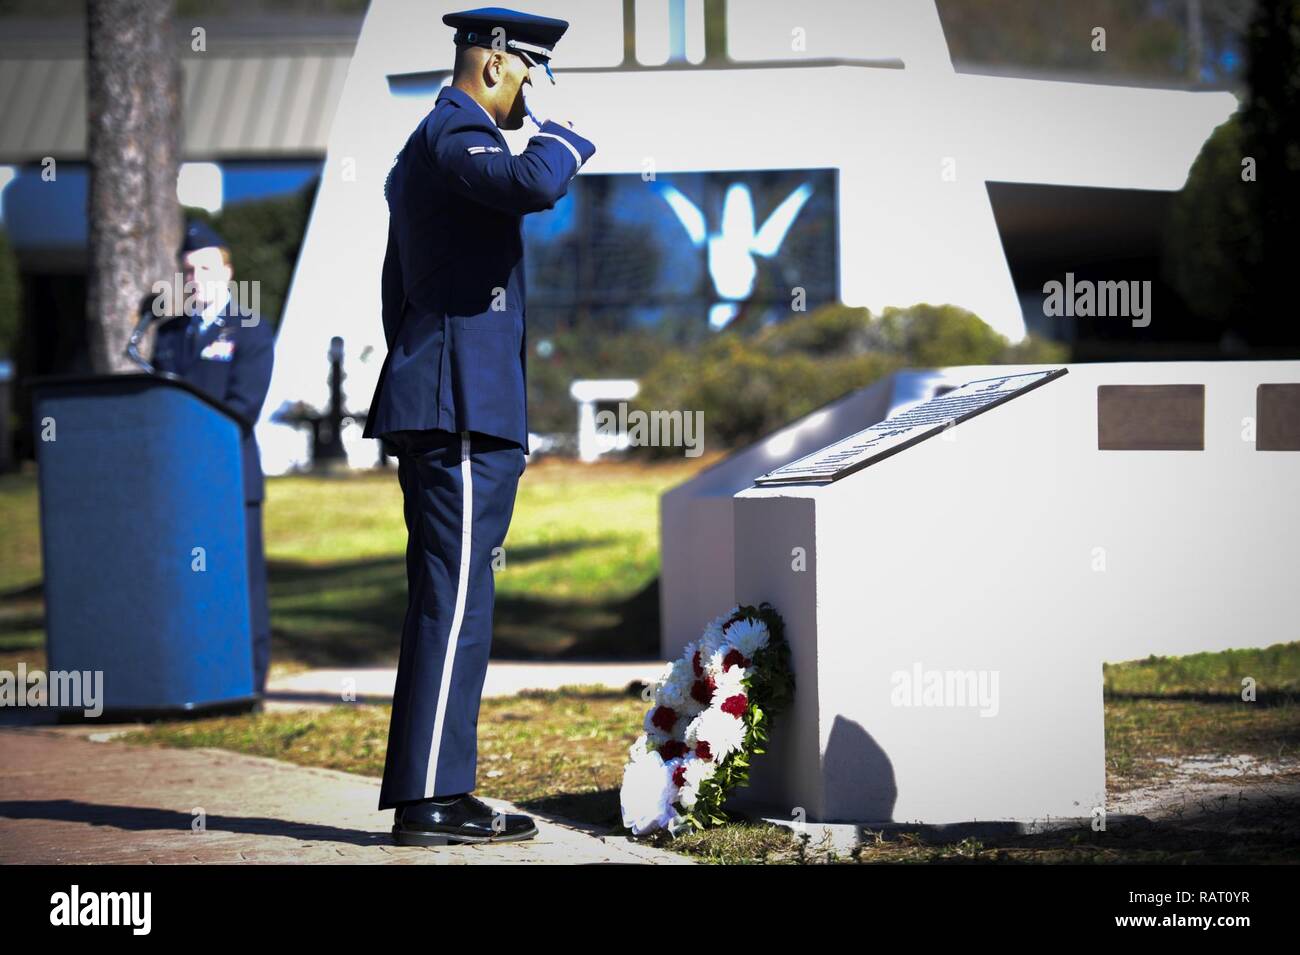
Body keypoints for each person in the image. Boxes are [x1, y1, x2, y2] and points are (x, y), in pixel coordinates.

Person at [362, 6, 596, 846]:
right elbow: (530, 185)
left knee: (456, 599)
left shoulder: (449, 137)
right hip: (457, 404)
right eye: (532, 76)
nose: (534, 97)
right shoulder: (453, 130)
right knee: (454, 602)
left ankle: (439, 787)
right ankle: (428, 799)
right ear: (496, 62)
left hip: (461, 402)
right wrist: (563, 135)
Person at [152, 220, 276, 702]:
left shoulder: (249, 330)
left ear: (227, 272)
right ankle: (196, 678)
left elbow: (243, 409)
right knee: (186, 587)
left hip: (228, 481)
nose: (194, 278)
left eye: (204, 267)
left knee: (240, 587)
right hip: (175, 487)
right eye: (187, 270)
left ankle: (247, 685)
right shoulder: (168, 335)